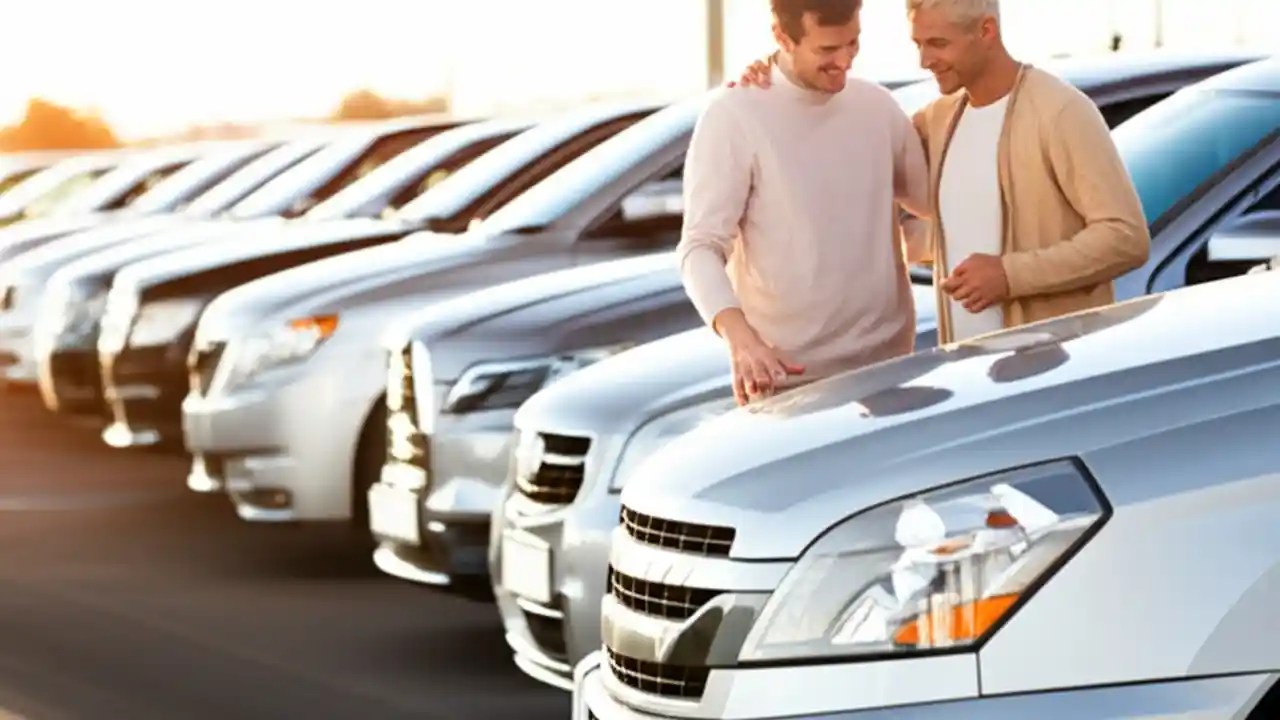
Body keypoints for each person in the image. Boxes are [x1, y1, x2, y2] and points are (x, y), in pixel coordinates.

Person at [734, 0, 1151, 345]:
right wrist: (776, 72)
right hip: (967, 374)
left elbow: (1125, 237)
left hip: (1048, 375)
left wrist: (1009, 274)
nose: (924, 59)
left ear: (986, 32)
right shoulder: (937, 120)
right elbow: (849, 148)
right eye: (918, 43)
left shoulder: (1061, 112)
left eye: (937, 43)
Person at [679, 0, 932, 406]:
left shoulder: (877, 108)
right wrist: (740, 340)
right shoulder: (733, 116)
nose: (845, 61)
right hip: (789, 382)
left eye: (853, 43)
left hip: (891, 371)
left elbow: (933, 202)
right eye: (827, 50)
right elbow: (699, 248)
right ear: (782, 38)